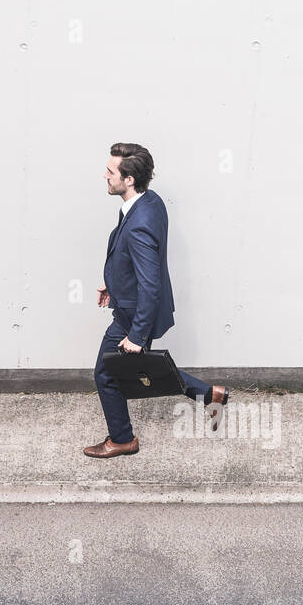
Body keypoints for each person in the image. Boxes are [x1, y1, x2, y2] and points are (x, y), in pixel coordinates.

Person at [85, 142, 229, 458]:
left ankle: (122, 439)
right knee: (140, 368)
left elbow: (150, 284)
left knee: (106, 374)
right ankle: (210, 395)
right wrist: (114, 283)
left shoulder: (140, 224)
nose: (105, 176)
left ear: (129, 180)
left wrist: (137, 335)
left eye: (110, 172)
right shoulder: (149, 201)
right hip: (131, 304)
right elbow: (135, 262)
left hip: (133, 314)